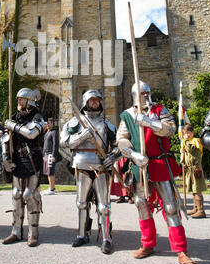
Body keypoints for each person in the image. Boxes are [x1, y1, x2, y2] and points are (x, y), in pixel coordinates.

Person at [113, 81, 197, 264]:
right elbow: (121, 140)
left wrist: (149, 122)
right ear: (135, 95)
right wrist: (134, 155)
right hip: (139, 165)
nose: (145, 96)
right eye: (142, 93)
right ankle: (147, 243)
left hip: (159, 162)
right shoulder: (127, 115)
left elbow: (171, 130)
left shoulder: (159, 110)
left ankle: (181, 249)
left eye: (147, 92)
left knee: (170, 206)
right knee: (141, 204)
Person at [60, 89, 147, 254]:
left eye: (97, 100)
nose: (94, 102)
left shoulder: (107, 124)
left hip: (101, 166)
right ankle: (81, 234)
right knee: (81, 203)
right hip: (81, 164)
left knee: (104, 206)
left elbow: (120, 144)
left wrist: (113, 157)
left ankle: (107, 238)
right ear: (86, 102)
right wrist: (80, 137)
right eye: (91, 100)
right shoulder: (74, 122)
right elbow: (63, 142)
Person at [2, 88, 45, 247]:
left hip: (32, 158)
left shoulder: (38, 116)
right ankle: (16, 231)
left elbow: (32, 133)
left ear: (29, 100)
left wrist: (12, 126)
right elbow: (5, 138)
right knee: (16, 194)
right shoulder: (14, 117)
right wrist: (5, 156)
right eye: (18, 99)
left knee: (30, 194)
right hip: (17, 158)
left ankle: (33, 233)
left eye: (21, 99)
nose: (18, 101)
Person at [181, 124, 207, 218]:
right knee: (193, 190)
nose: (186, 134)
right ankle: (195, 208)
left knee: (197, 190)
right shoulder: (187, 141)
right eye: (185, 133)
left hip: (196, 169)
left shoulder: (196, 141)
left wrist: (186, 140)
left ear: (192, 132)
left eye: (188, 132)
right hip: (189, 169)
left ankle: (201, 210)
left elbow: (191, 150)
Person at [42, 118, 61, 195]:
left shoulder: (54, 132)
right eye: (47, 123)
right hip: (46, 155)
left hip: (50, 155)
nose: (48, 125)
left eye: (49, 123)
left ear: (52, 124)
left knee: (50, 172)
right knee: (48, 172)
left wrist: (54, 156)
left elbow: (55, 145)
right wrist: (43, 155)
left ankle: (52, 190)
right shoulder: (46, 133)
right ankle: (51, 187)